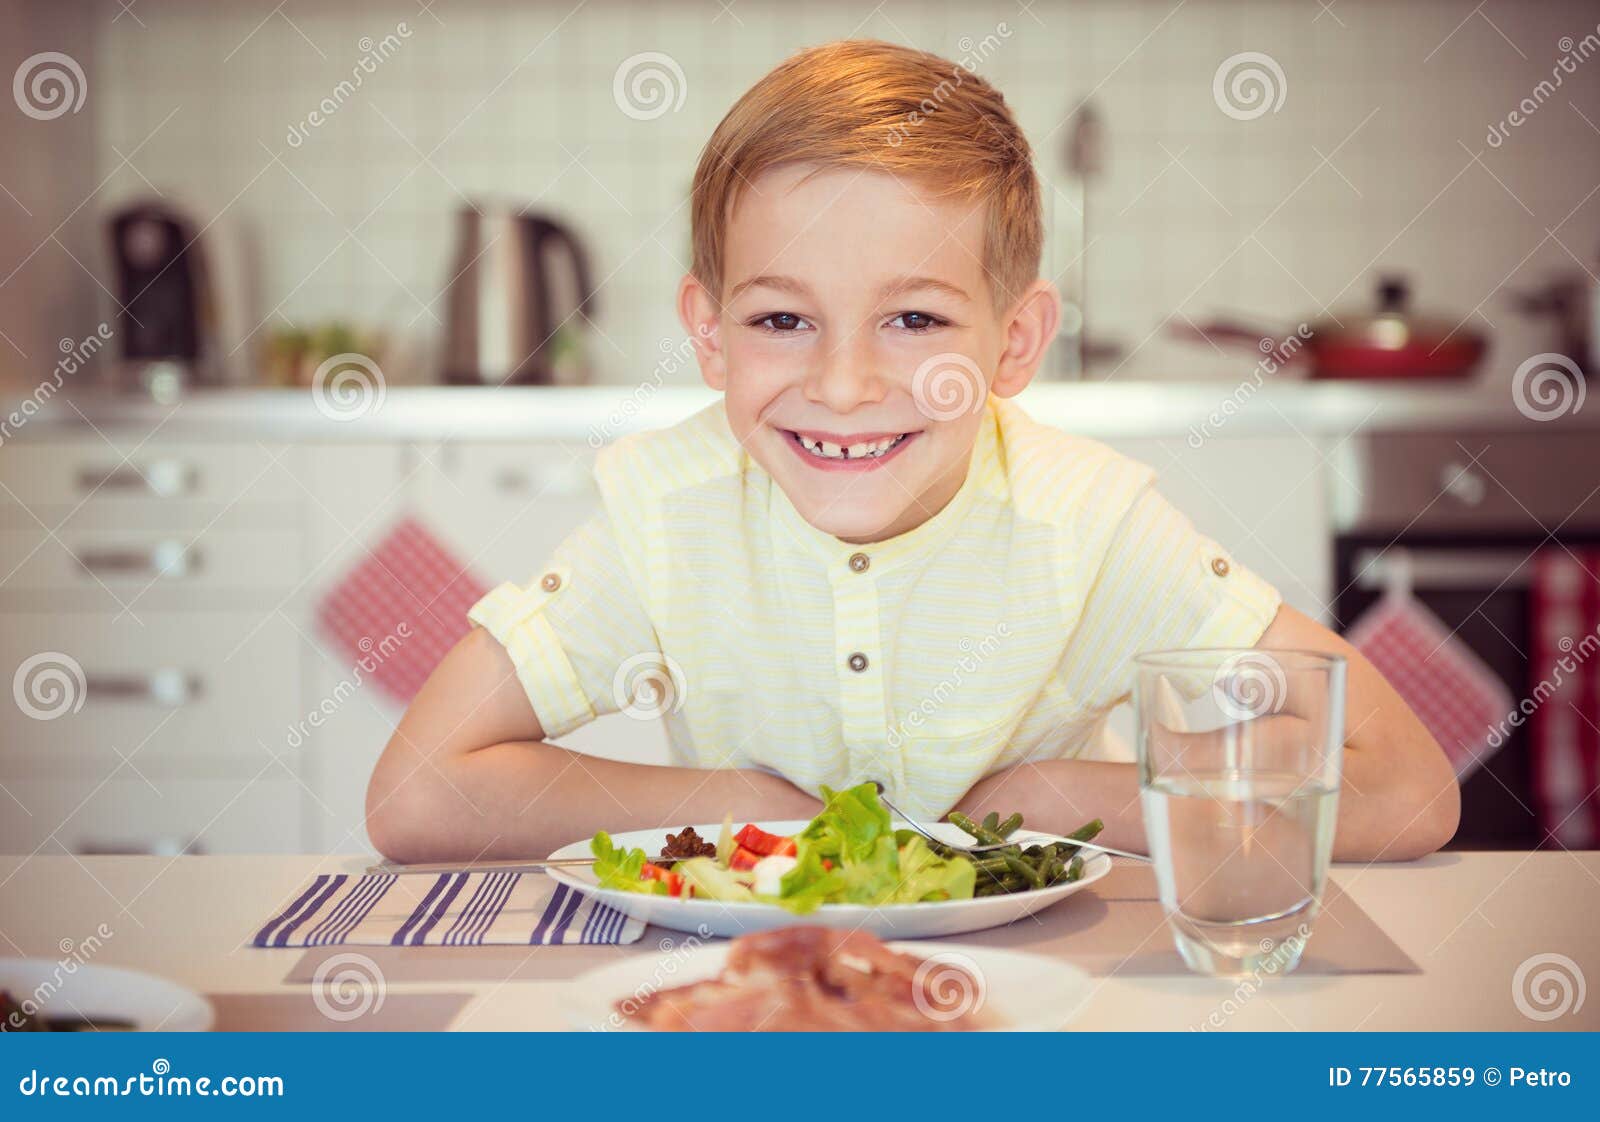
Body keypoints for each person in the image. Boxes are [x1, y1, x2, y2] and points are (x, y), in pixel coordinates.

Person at [367, 40, 1458, 864]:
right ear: (708, 334)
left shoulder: (1085, 523)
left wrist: (1038, 800)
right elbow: (416, 794)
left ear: (1016, 341)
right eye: (782, 321)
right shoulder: (673, 508)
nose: (843, 388)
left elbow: (1404, 789)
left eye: (916, 320)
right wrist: (749, 810)